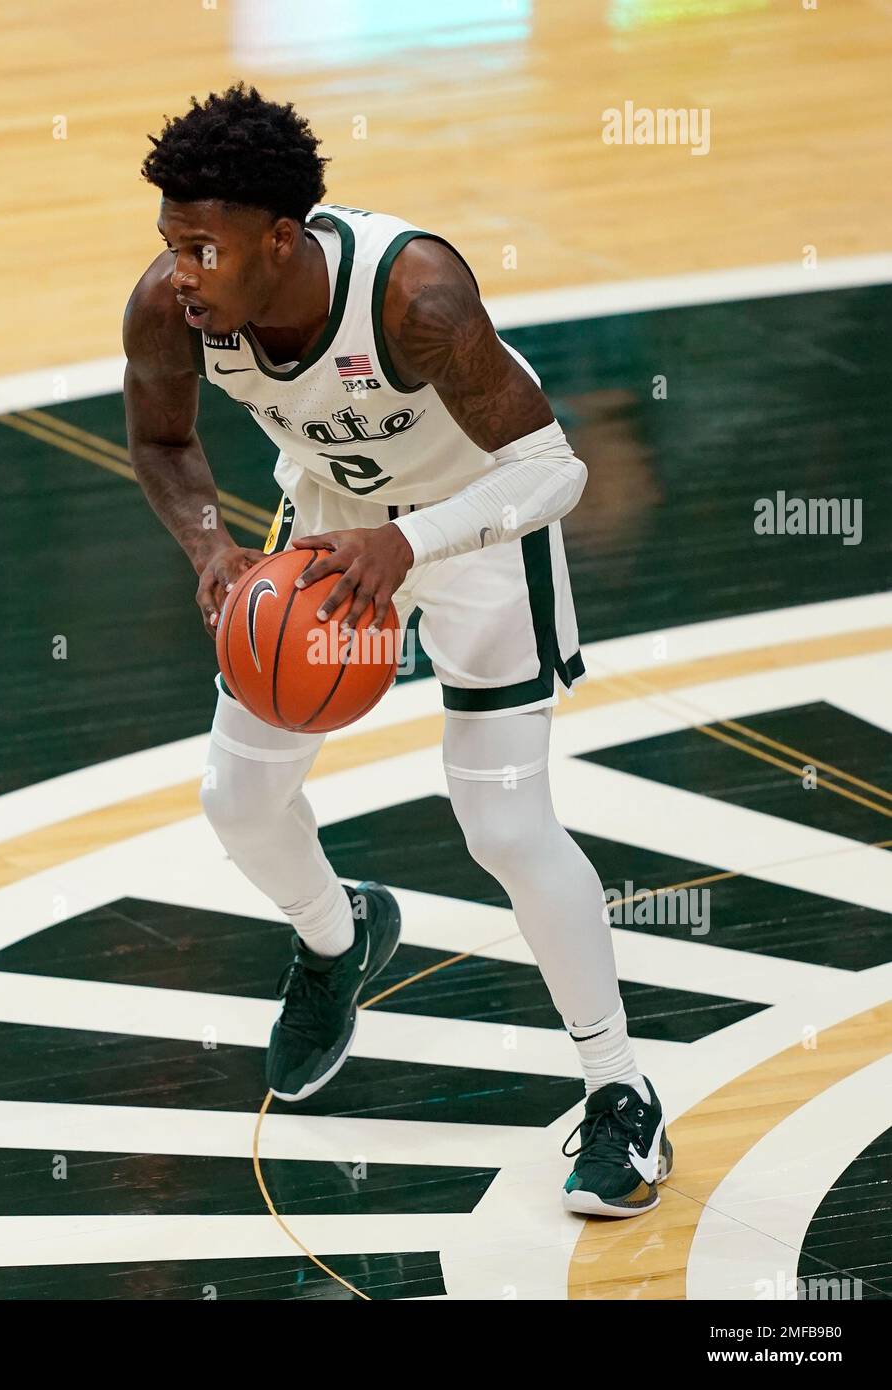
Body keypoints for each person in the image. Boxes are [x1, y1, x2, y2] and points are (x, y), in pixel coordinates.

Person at [123, 82, 672, 1217]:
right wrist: (212, 552)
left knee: (505, 823)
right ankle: (339, 936)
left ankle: (622, 1094)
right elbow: (163, 443)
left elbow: (553, 470)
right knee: (235, 799)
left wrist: (412, 540)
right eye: (171, 244)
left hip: (477, 527)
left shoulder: (414, 296)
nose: (180, 270)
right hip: (328, 529)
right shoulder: (170, 309)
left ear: (281, 240)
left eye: (201, 247)